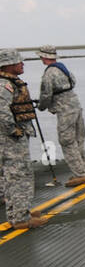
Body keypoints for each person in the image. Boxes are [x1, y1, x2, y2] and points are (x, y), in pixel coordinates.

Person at [0, 48, 48, 229]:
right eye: (18, 61)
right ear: (8, 64)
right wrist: (13, 130)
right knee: (19, 175)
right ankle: (21, 219)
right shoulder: (4, 85)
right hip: (10, 140)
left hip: (13, 137)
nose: (22, 64)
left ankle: (18, 213)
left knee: (12, 176)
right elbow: (2, 111)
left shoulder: (9, 82)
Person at [36, 45, 85, 188]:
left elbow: (46, 94)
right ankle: (83, 169)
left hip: (64, 110)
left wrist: (41, 106)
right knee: (79, 139)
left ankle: (80, 174)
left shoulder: (49, 73)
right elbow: (73, 83)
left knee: (66, 141)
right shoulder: (64, 69)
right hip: (75, 105)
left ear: (44, 57)